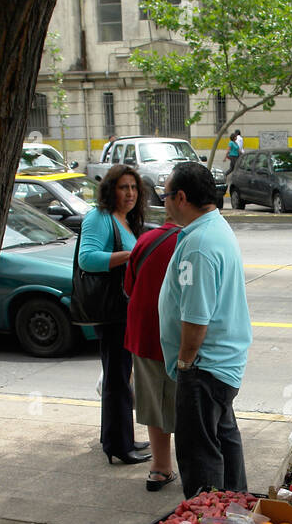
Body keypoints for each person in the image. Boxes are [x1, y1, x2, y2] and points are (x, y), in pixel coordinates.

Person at [158, 162, 251, 498]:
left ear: (181, 197)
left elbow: (196, 316)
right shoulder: (215, 229)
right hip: (221, 365)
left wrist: (184, 364)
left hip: (204, 367)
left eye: (166, 195)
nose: (163, 202)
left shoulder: (199, 245)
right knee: (224, 440)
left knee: (200, 455)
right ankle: (236, 513)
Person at [80, 165, 151, 466]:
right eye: (124, 188)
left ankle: (117, 437)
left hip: (126, 310)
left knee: (120, 376)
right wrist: (130, 256)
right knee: (118, 378)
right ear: (111, 189)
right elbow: (88, 258)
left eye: (134, 188)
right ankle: (119, 446)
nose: (130, 194)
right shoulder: (99, 218)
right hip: (112, 312)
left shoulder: (126, 219)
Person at [124, 217, 182, 491]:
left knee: (154, 404)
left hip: (145, 333)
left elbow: (129, 287)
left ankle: (160, 469)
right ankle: (195, 469)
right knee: (185, 405)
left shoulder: (145, 241)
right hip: (182, 337)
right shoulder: (194, 242)